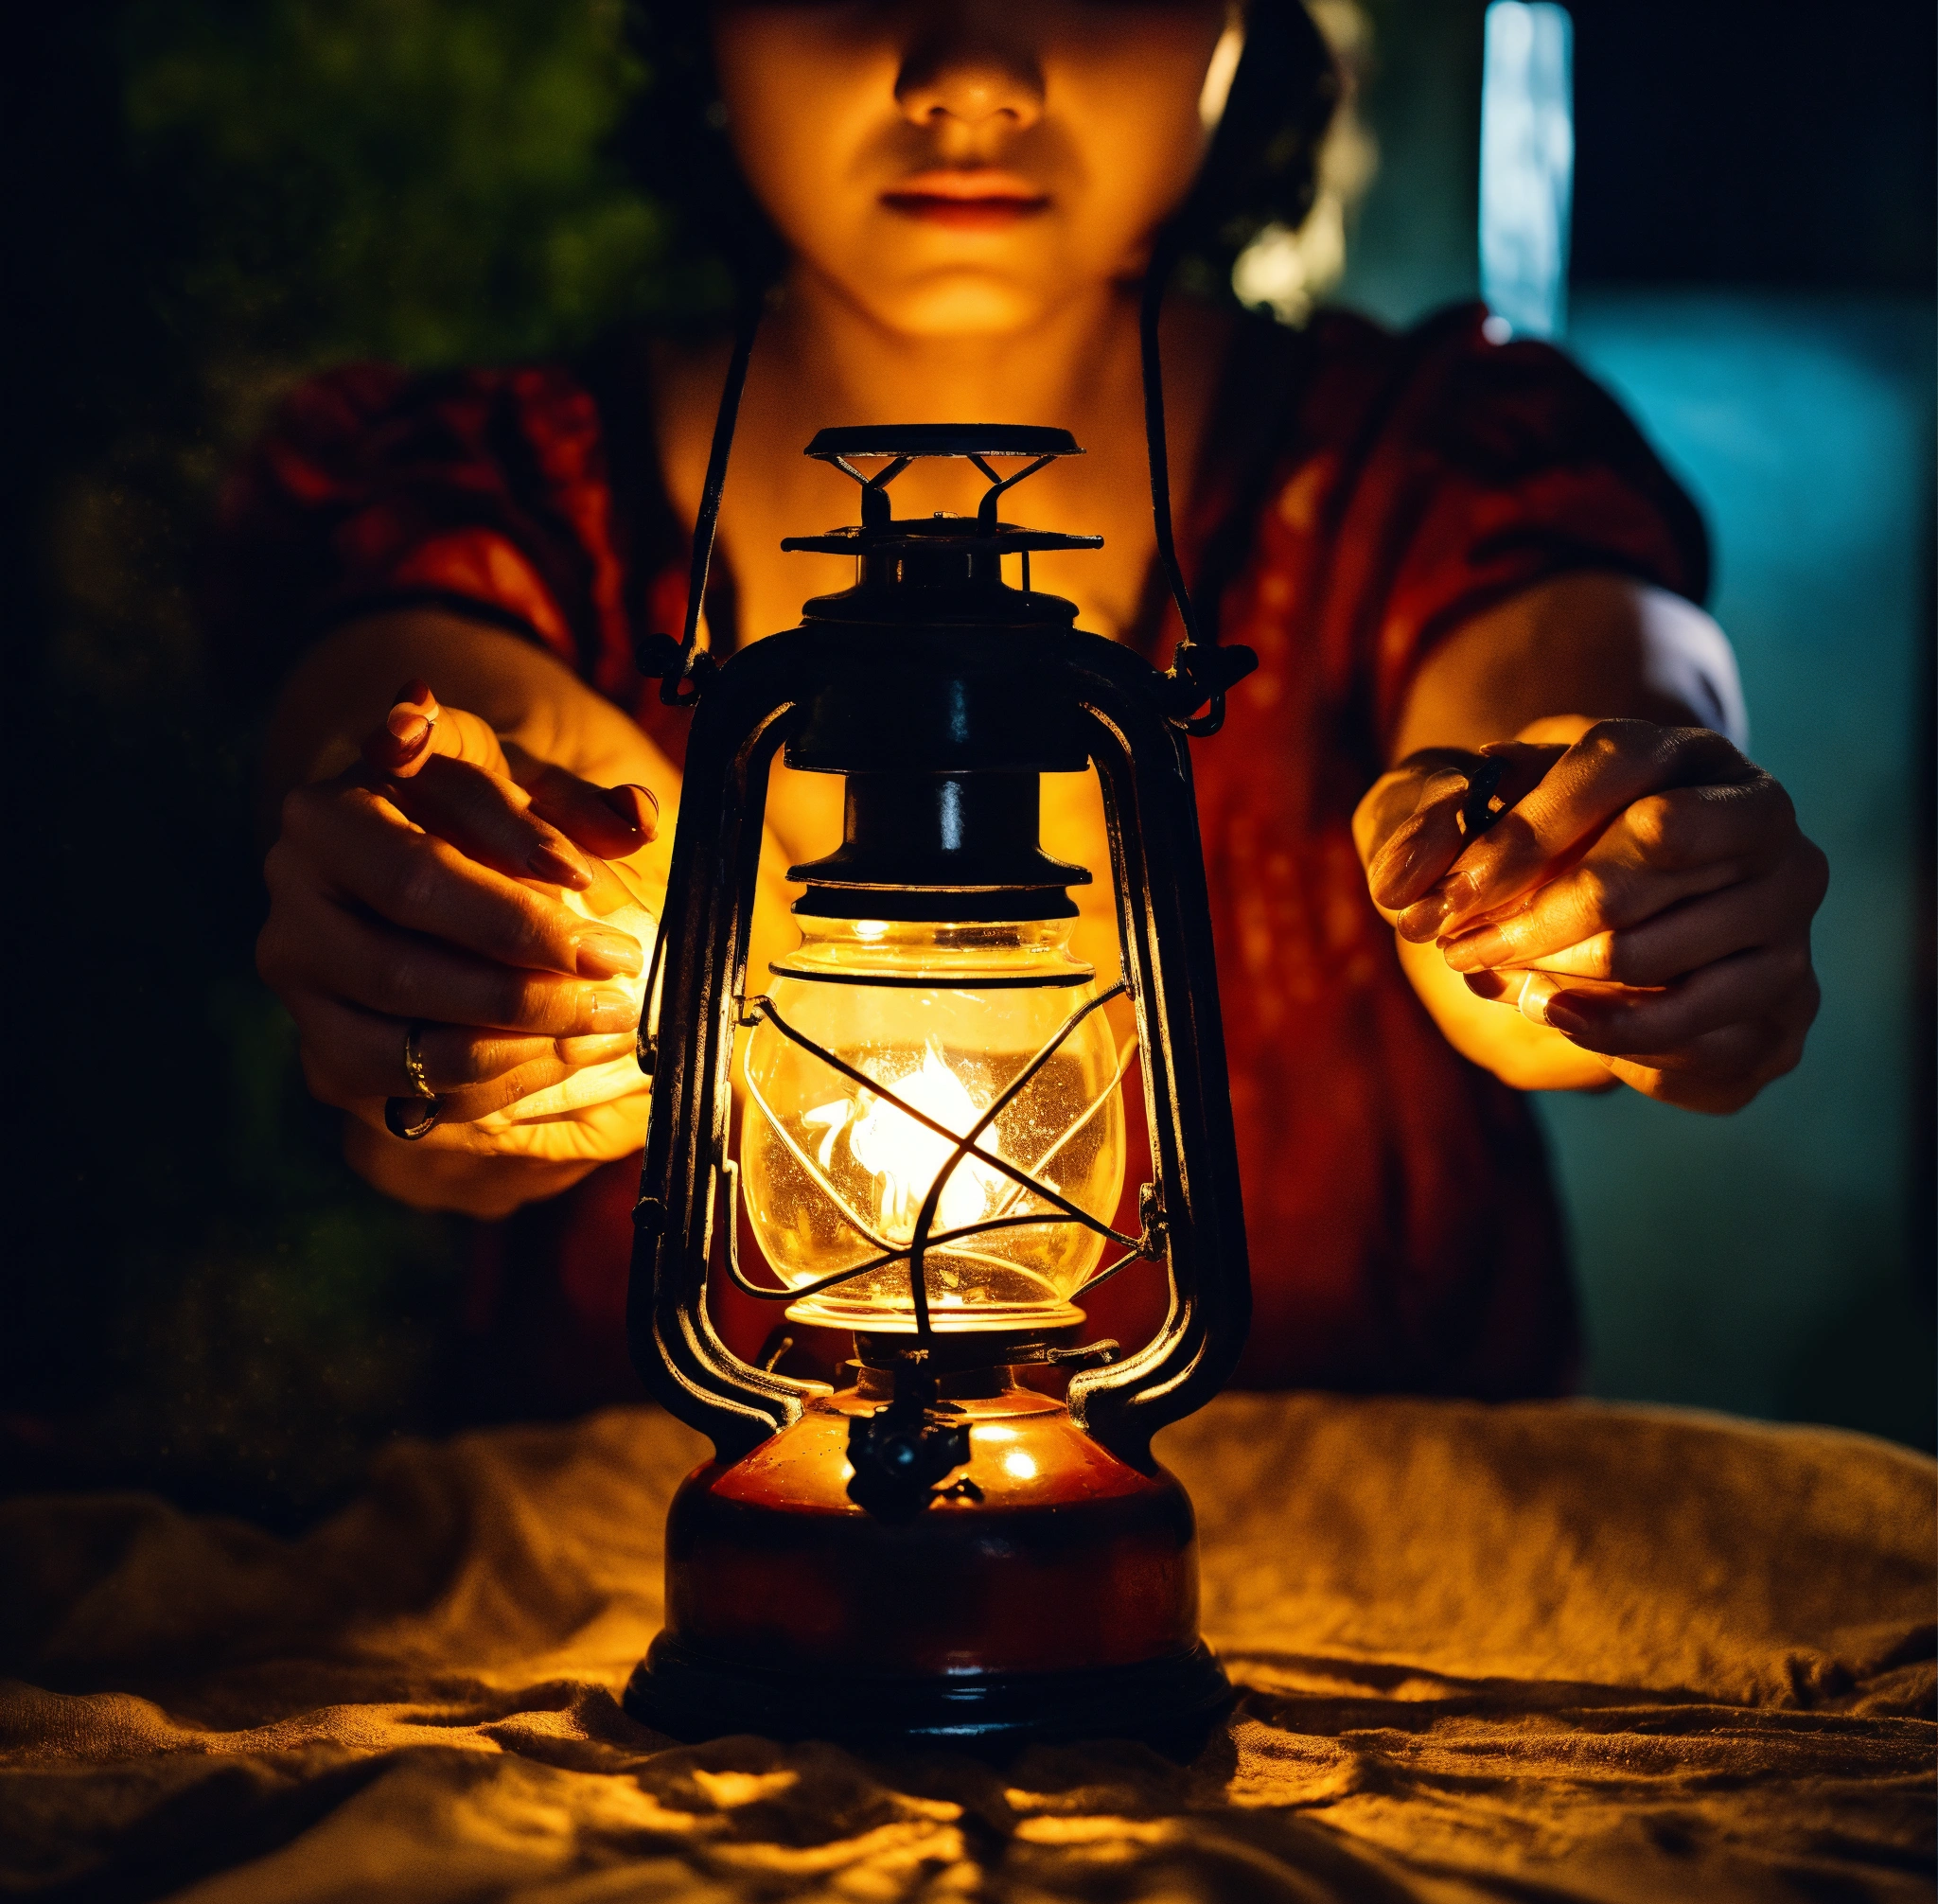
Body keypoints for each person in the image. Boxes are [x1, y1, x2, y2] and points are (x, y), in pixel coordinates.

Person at [228, 1, 1825, 1407]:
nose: (970, 74)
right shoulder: (500, 496)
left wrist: (1597, 882)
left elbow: (1581, 688)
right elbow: (415, 721)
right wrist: (473, 938)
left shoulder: (1429, 471)